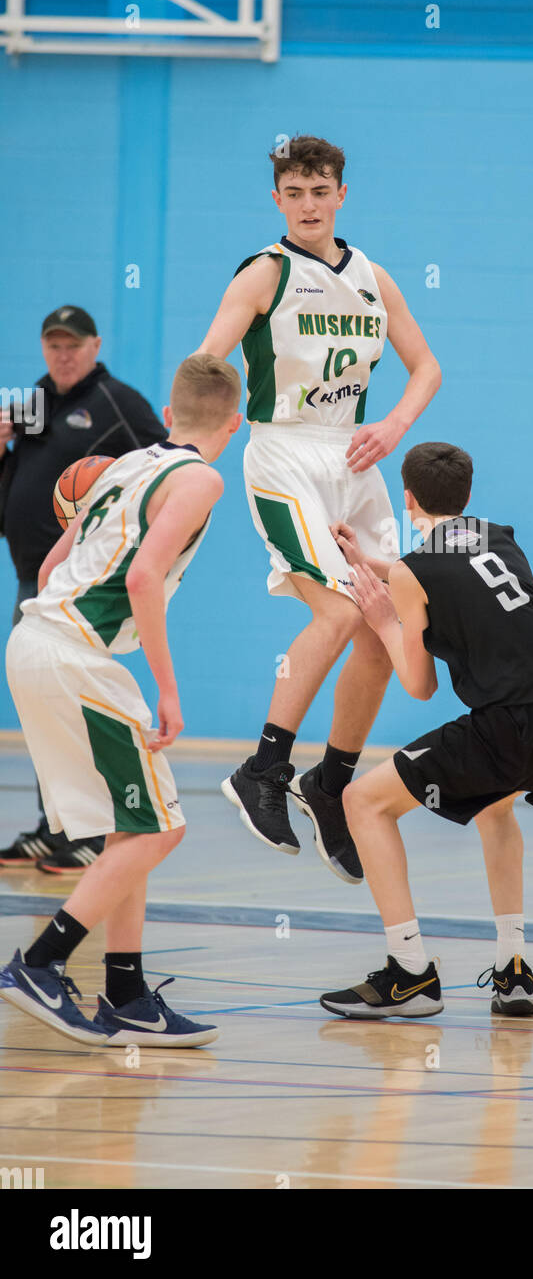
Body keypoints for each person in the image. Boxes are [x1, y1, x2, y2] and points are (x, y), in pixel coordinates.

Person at [193, 135, 441, 883]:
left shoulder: (371, 276)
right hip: (283, 453)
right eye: (294, 193)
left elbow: (427, 366)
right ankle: (262, 769)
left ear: (341, 195)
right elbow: (207, 364)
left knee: (380, 627)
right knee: (335, 612)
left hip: (355, 459)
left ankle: (330, 782)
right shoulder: (264, 273)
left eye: (320, 191)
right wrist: (189, 446)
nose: (308, 204)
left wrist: (394, 424)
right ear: (278, 200)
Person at [0, 356, 242, 1047]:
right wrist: (167, 688)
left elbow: (52, 566)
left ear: (167, 415)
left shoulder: (126, 464)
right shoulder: (202, 478)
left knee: (129, 828)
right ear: (235, 423)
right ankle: (39, 964)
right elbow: (143, 578)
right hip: (75, 656)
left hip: (34, 640)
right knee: (163, 829)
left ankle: (127, 995)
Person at [317, 441, 533, 1019]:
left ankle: (409, 974)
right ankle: (513, 969)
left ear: (408, 498)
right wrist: (377, 565)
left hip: (512, 720)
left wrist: (384, 618)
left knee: (363, 802)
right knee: (496, 807)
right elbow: (446, 572)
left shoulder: (413, 572)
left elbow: (420, 685)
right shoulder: (499, 537)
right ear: (467, 495)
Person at [0, 305, 167, 874]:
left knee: (75, 706)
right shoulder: (33, 401)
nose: (63, 355)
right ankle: (55, 826)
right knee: (42, 704)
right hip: (32, 574)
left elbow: (163, 469)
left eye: (73, 345)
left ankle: (94, 832)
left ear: (95, 346)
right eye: (54, 345)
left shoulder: (119, 402)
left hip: (82, 582)